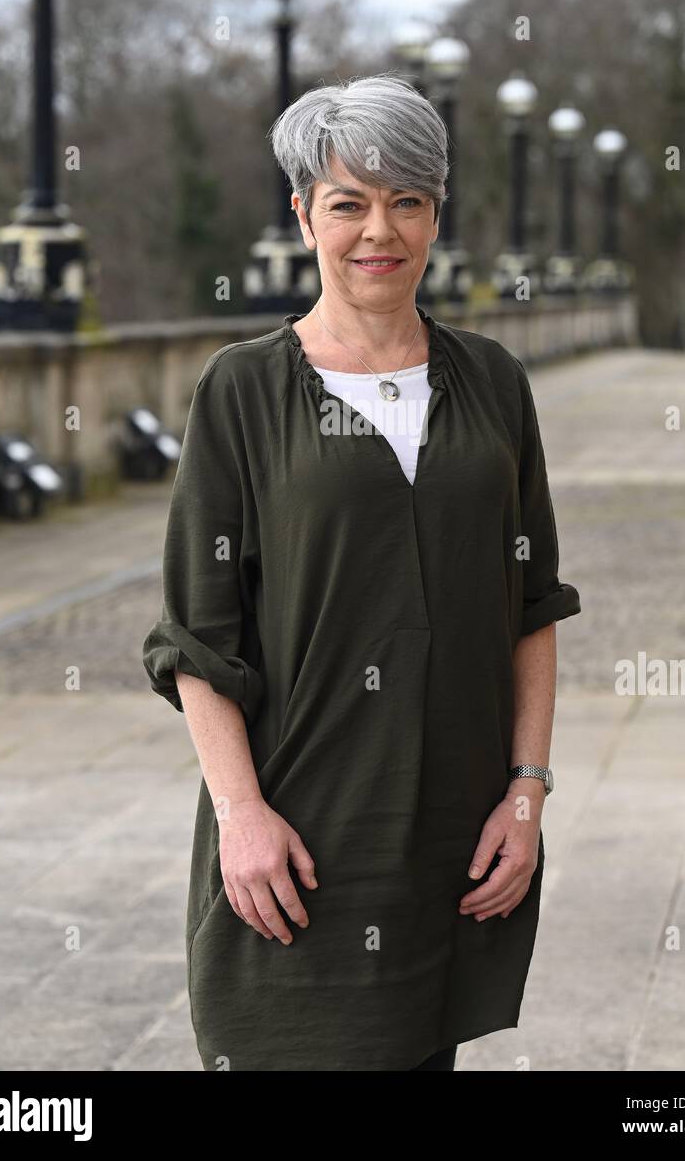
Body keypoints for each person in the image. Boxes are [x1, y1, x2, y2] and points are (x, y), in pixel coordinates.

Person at [142, 73, 581, 1071]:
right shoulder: (242, 389)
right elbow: (193, 641)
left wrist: (525, 795)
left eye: (406, 201)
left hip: (451, 836)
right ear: (302, 215)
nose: (376, 230)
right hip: (298, 834)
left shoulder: (493, 385)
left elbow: (531, 606)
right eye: (347, 202)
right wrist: (239, 817)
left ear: (435, 214)